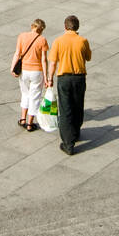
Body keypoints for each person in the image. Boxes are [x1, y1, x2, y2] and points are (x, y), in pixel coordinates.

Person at [46, 15, 91, 155]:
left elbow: (53, 62)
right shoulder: (83, 41)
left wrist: (49, 78)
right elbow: (88, 57)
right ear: (77, 27)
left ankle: (68, 144)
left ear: (65, 27)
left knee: (65, 110)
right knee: (78, 106)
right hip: (79, 78)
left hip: (64, 78)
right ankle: (76, 132)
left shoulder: (58, 41)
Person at [12, 19, 48, 131]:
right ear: (42, 29)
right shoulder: (42, 40)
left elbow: (17, 53)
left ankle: (22, 119)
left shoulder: (22, 36)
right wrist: (46, 77)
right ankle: (30, 123)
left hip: (24, 70)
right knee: (35, 96)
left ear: (32, 26)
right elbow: (44, 60)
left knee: (25, 93)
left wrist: (13, 68)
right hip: (37, 71)